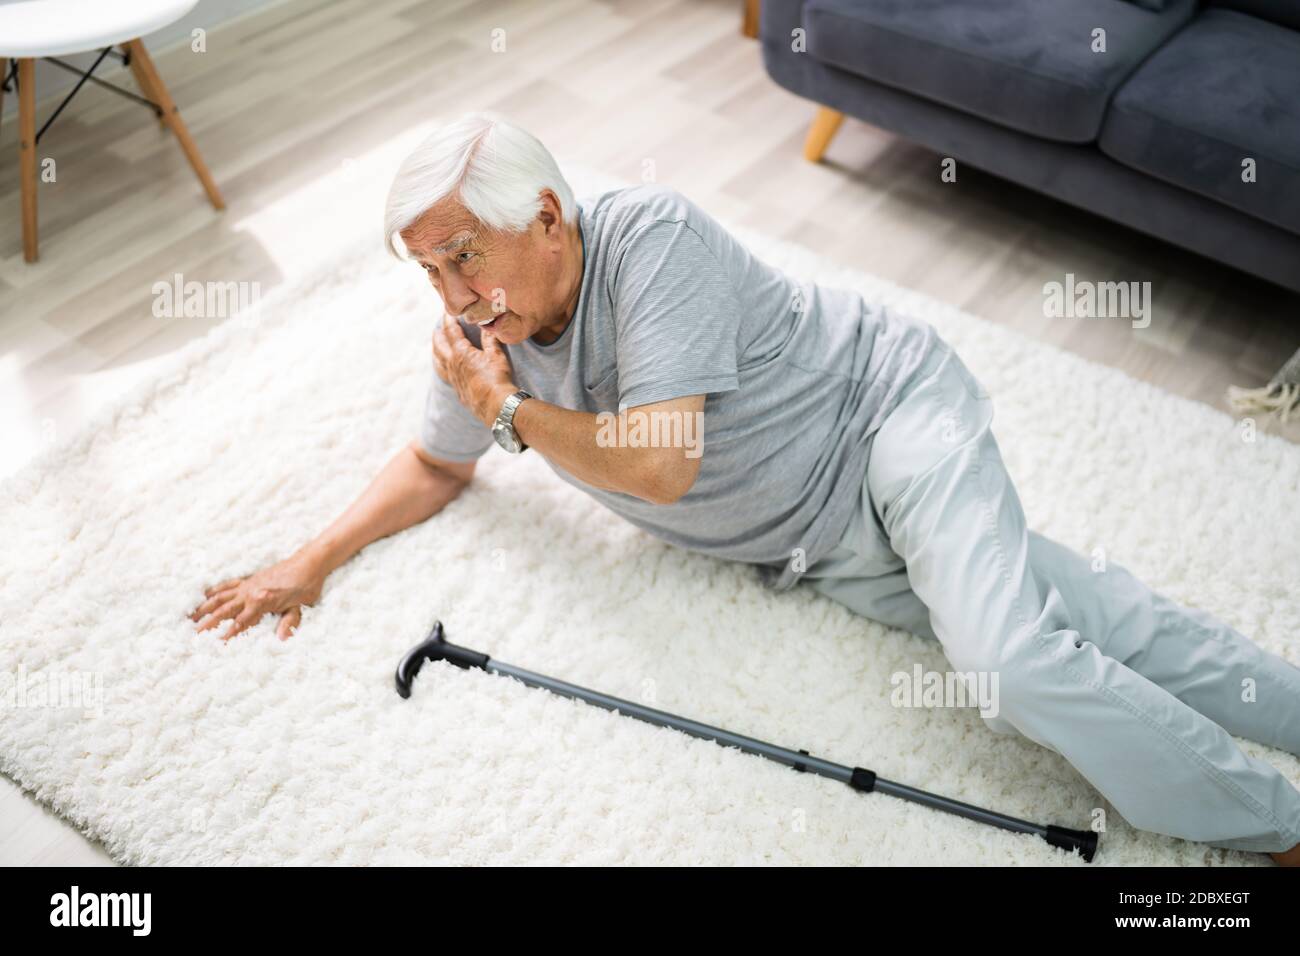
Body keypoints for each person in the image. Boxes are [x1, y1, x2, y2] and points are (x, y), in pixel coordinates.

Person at [189, 111, 1300, 865]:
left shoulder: (650, 240)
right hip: (819, 542)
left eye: (464, 255)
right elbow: (437, 460)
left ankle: (1273, 828)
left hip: (885, 425)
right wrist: (309, 561)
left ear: (545, 214)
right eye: (428, 269)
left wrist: (512, 414)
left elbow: (662, 462)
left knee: (1007, 664)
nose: (453, 294)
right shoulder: (488, 334)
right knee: (1085, 620)